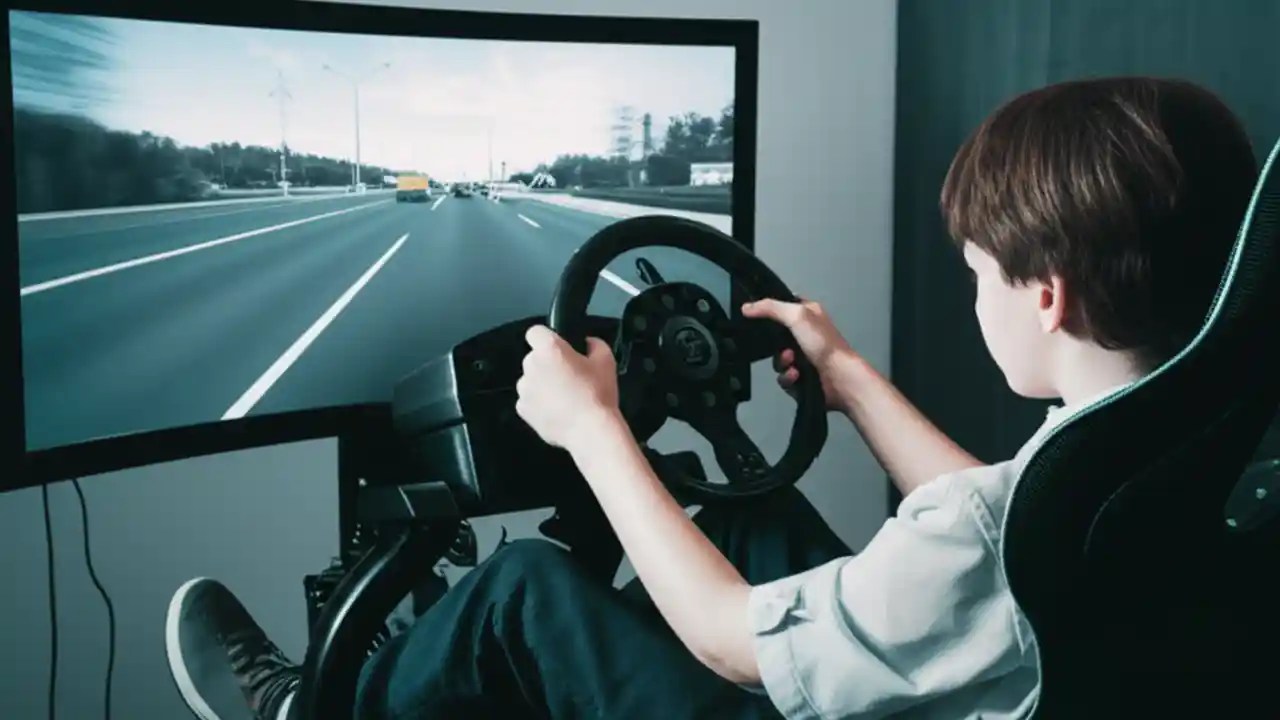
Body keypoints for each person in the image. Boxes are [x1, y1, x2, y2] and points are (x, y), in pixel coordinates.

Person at [164, 76, 1258, 719]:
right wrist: (845, 379)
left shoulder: (980, 531)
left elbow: (738, 640)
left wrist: (595, 428)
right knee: (737, 507)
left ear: (1047, 297)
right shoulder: (1158, 439)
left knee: (525, 588)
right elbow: (1000, 512)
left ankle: (301, 711)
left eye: (975, 273)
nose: (970, 292)